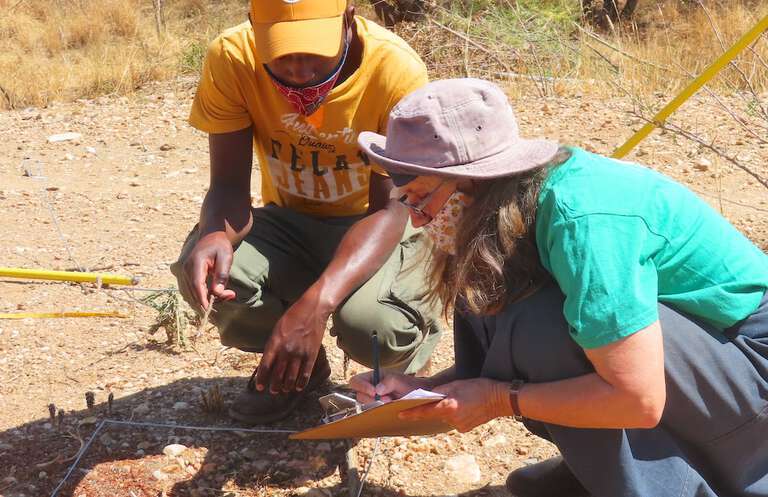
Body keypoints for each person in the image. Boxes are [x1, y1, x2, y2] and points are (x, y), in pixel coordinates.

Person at [350, 78, 768, 497]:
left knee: (541, 327)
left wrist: (499, 398)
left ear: (473, 179)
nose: (417, 218)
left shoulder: (582, 221)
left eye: (421, 197)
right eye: (406, 200)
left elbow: (638, 399)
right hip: (709, 366)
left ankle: (673, 482)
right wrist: (423, 391)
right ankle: (624, 469)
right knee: (500, 296)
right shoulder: (518, 200)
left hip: (752, 366)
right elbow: (497, 364)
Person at [171, 0, 445, 425]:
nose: (299, 70)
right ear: (254, 26)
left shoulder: (394, 69)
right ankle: (297, 368)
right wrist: (213, 234)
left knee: (375, 326)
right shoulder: (233, 58)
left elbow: (391, 208)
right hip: (290, 223)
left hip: (376, 225)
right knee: (216, 274)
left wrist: (316, 306)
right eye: (281, 52)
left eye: (314, 50)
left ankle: (402, 369)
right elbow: (228, 185)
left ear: (348, 17)